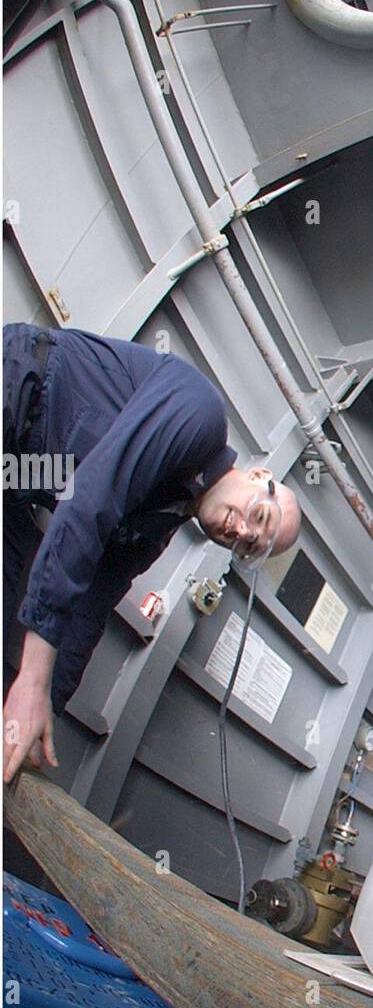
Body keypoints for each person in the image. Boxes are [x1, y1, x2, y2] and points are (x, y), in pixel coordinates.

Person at [3, 321, 301, 783]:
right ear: (259, 475)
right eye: (257, 518)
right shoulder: (199, 413)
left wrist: (43, 713)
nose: (238, 530)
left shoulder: (160, 524)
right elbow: (87, 505)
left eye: (247, 544)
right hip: (17, 388)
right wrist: (32, 682)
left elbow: (91, 606)